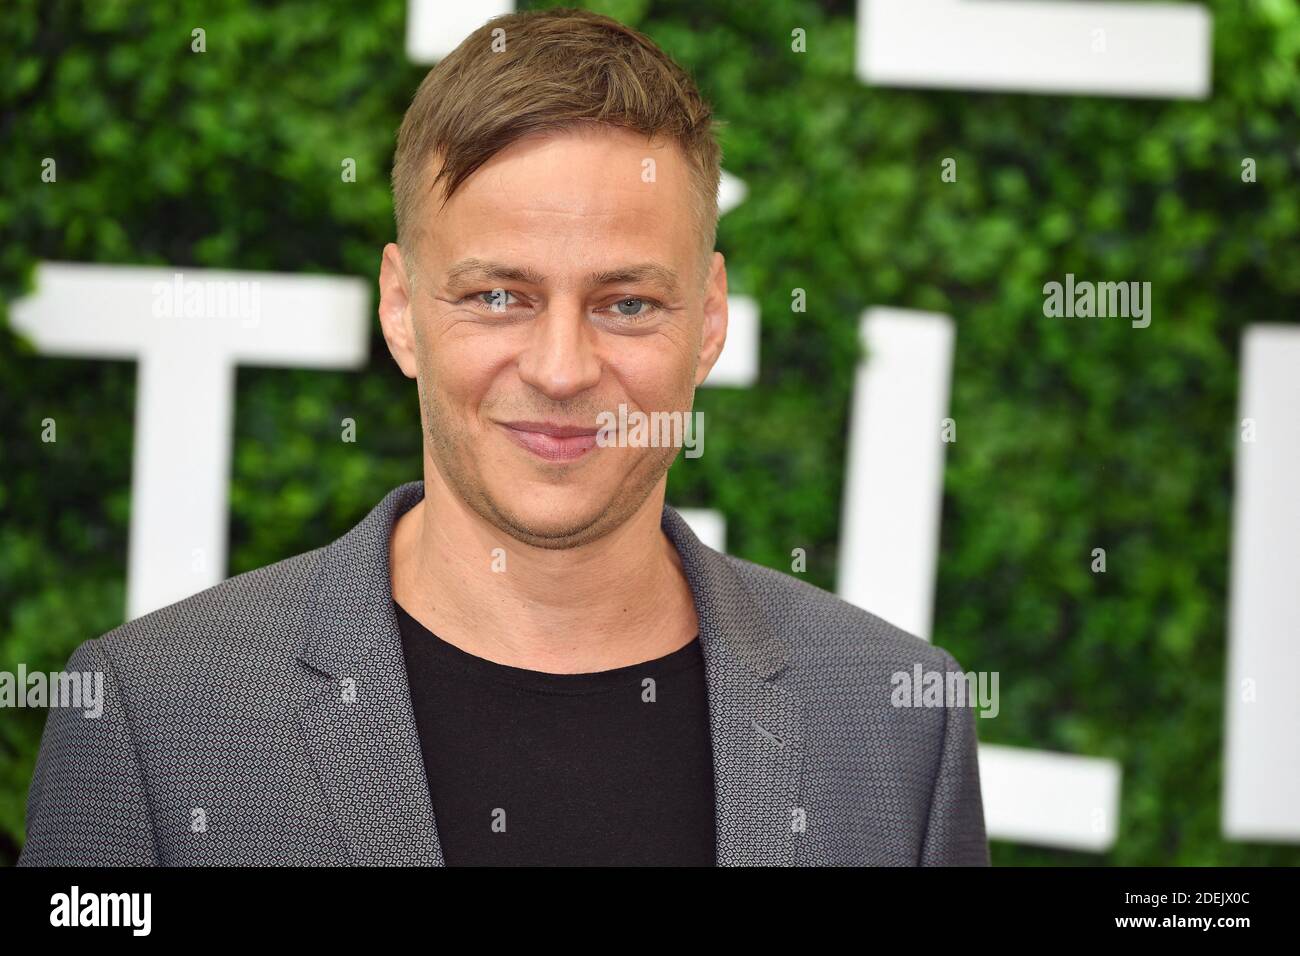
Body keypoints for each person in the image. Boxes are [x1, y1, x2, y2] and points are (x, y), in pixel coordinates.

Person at [19, 7, 988, 866]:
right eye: (497, 296)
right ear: (401, 309)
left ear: (709, 319)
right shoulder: (154, 716)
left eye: (626, 301)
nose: (560, 369)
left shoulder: (895, 731)